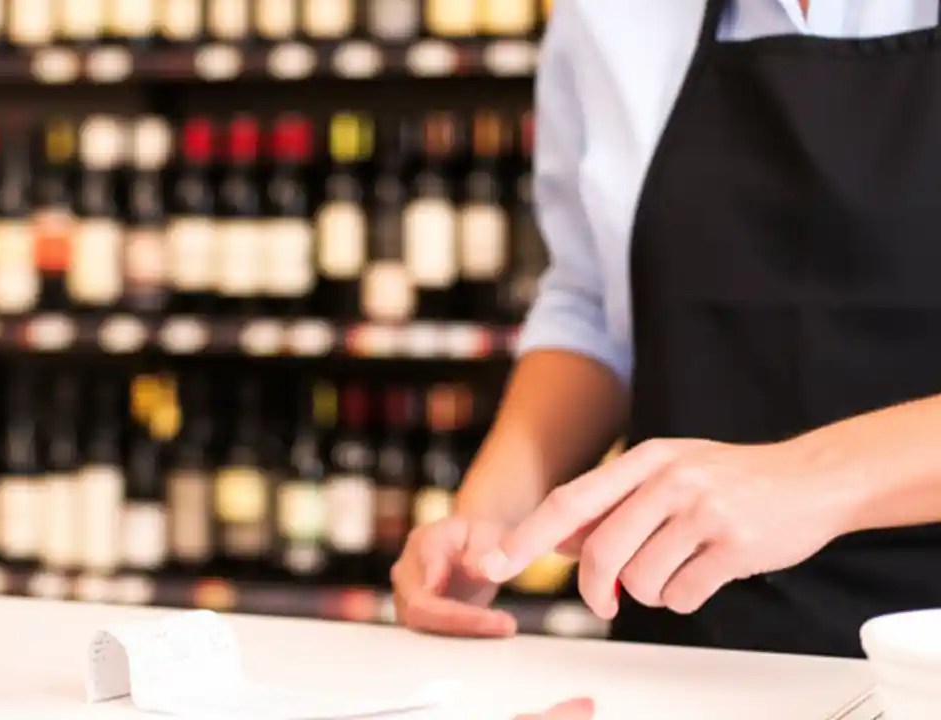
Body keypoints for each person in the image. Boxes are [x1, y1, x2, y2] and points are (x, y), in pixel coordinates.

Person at [392, 0, 941, 659]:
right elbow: (595, 307)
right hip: (690, 653)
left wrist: (816, 478)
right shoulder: (609, 15)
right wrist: (489, 520)